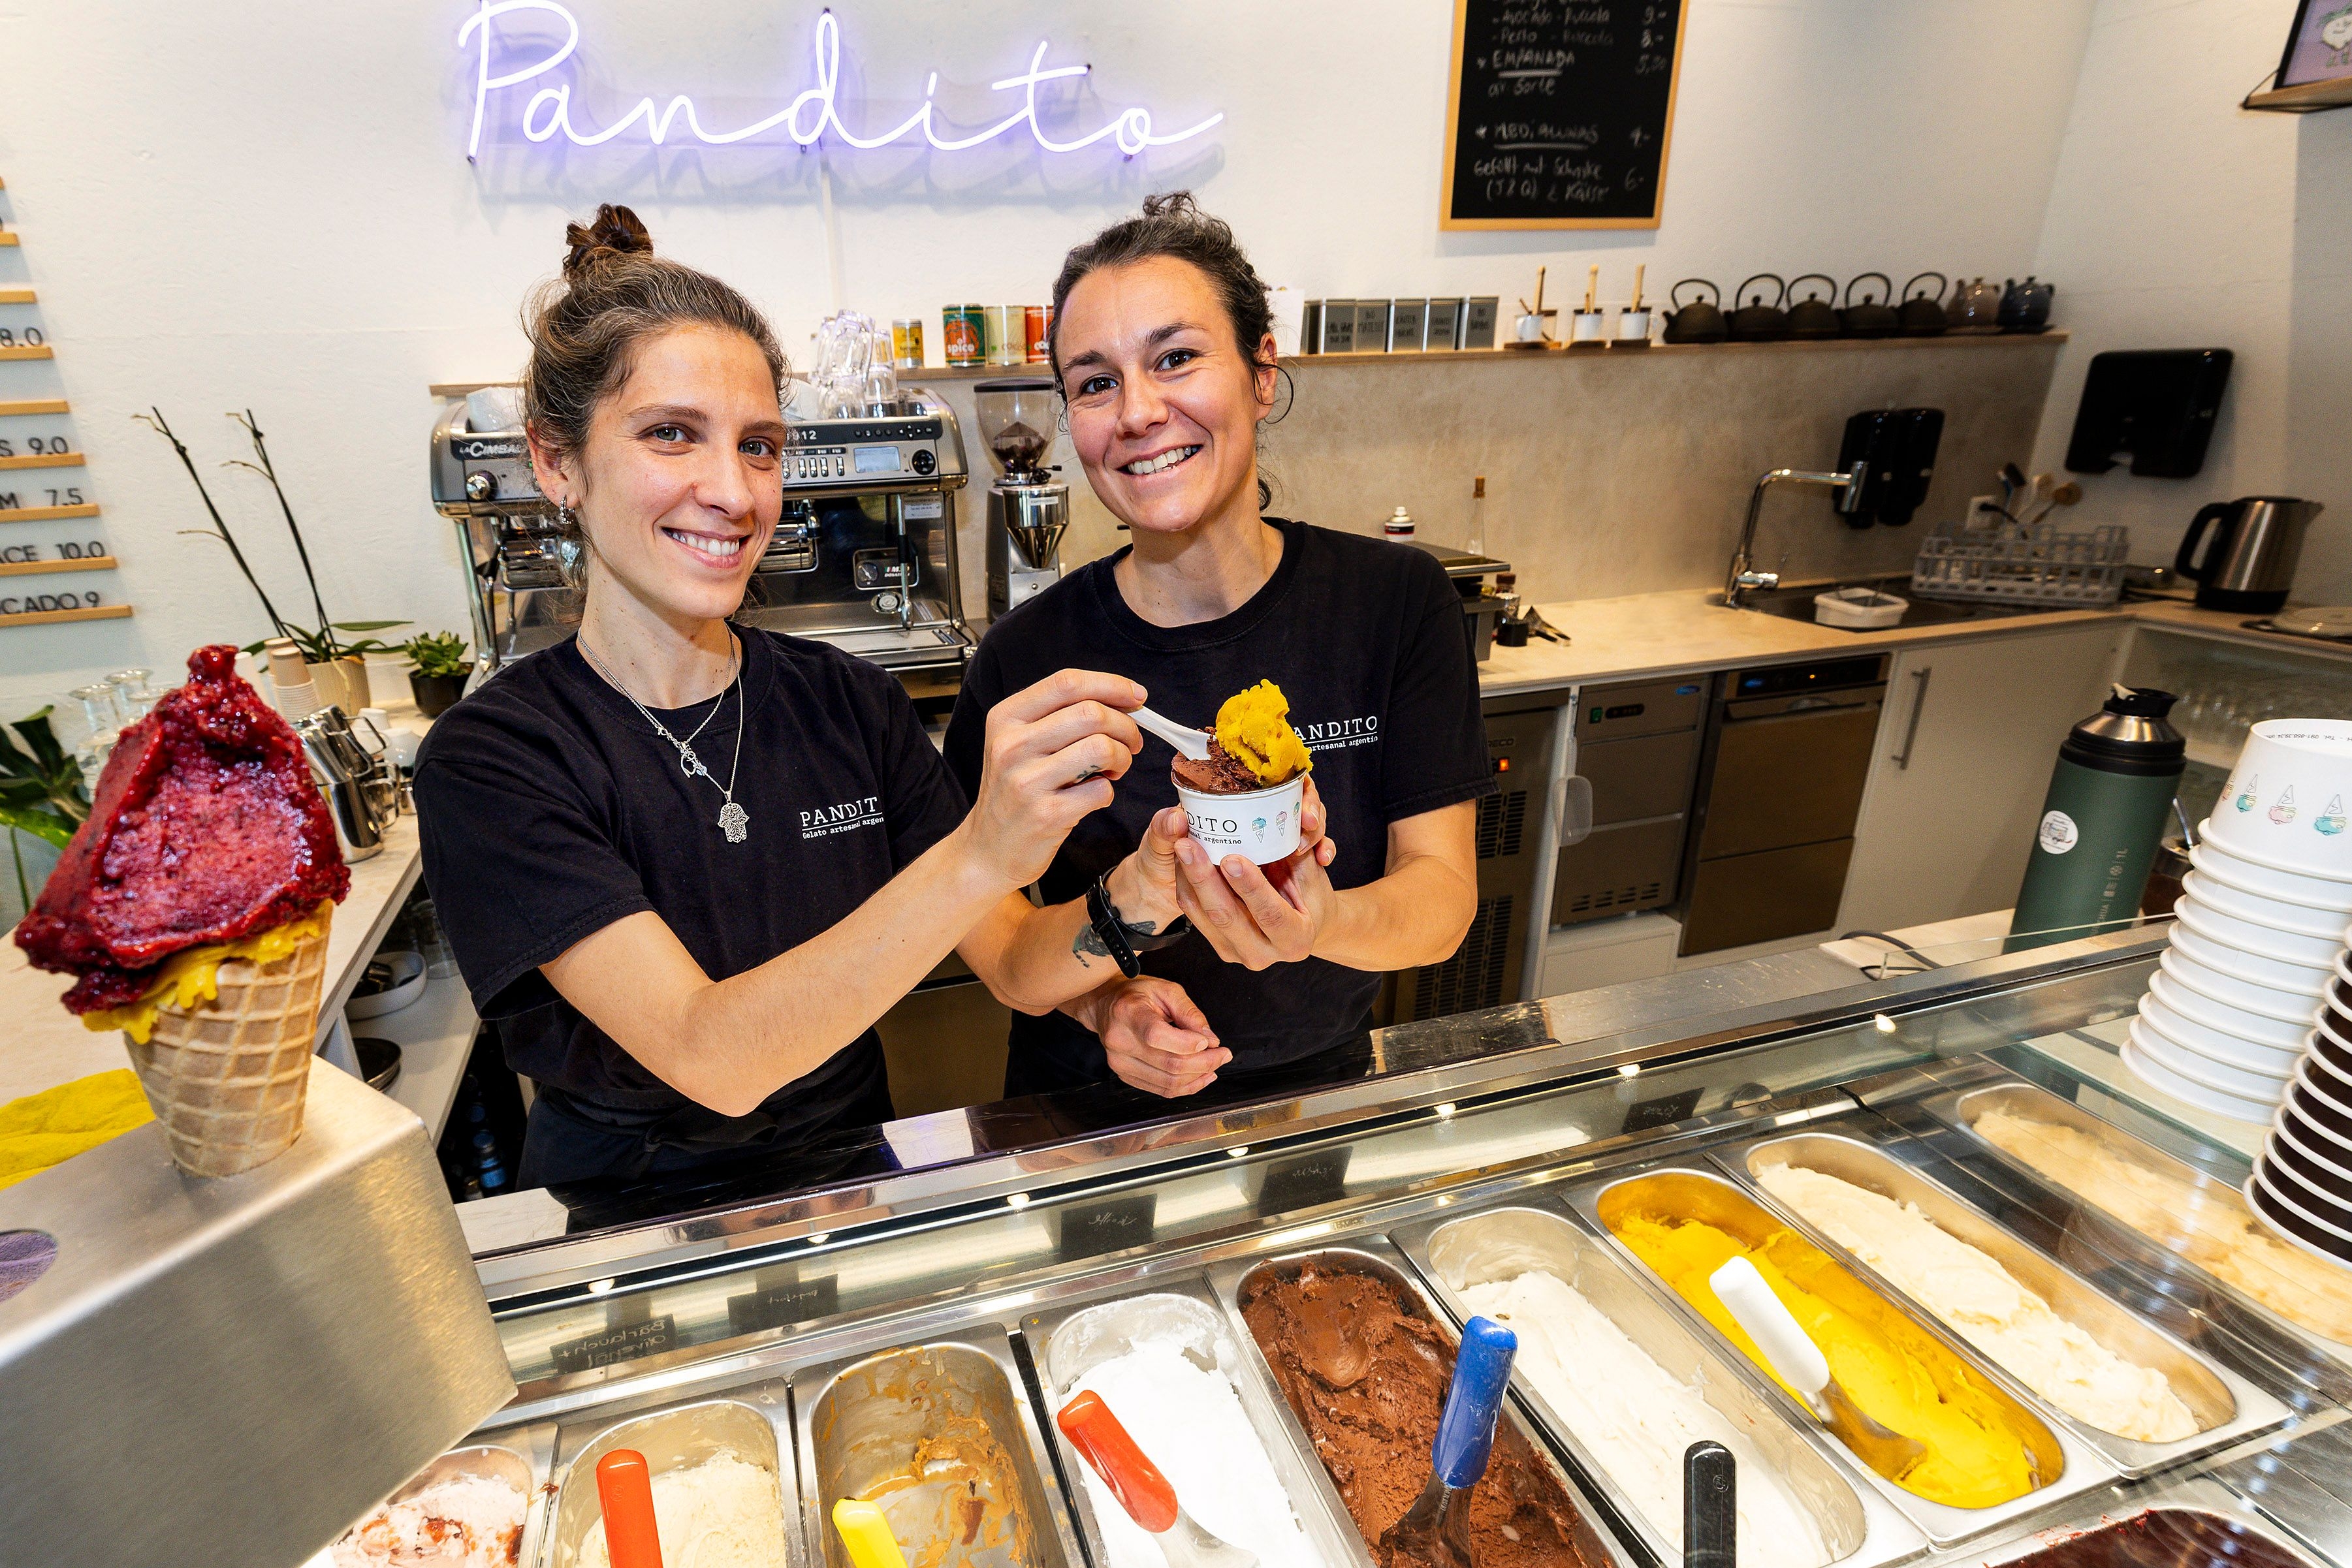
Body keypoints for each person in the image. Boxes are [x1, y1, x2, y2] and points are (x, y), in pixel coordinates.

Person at [414, 206, 1220, 1187]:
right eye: (672, 435)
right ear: (556, 463)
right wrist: (980, 849)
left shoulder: (847, 703)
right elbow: (713, 1053)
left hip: (849, 1184)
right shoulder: (496, 757)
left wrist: (1142, 892)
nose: (733, 491)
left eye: (758, 445)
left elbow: (1012, 960)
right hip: (630, 1219)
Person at [945, 193, 1492, 1102]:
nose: (1137, 411)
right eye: (1093, 382)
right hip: (1085, 1114)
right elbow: (1001, 953)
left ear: (1260, 371)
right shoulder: (1026, 660)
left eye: (1175, 358)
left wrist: (1318, 920)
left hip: (1318, 1092)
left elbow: (1439, 900)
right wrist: (1104, 999)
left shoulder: (1392, 603)